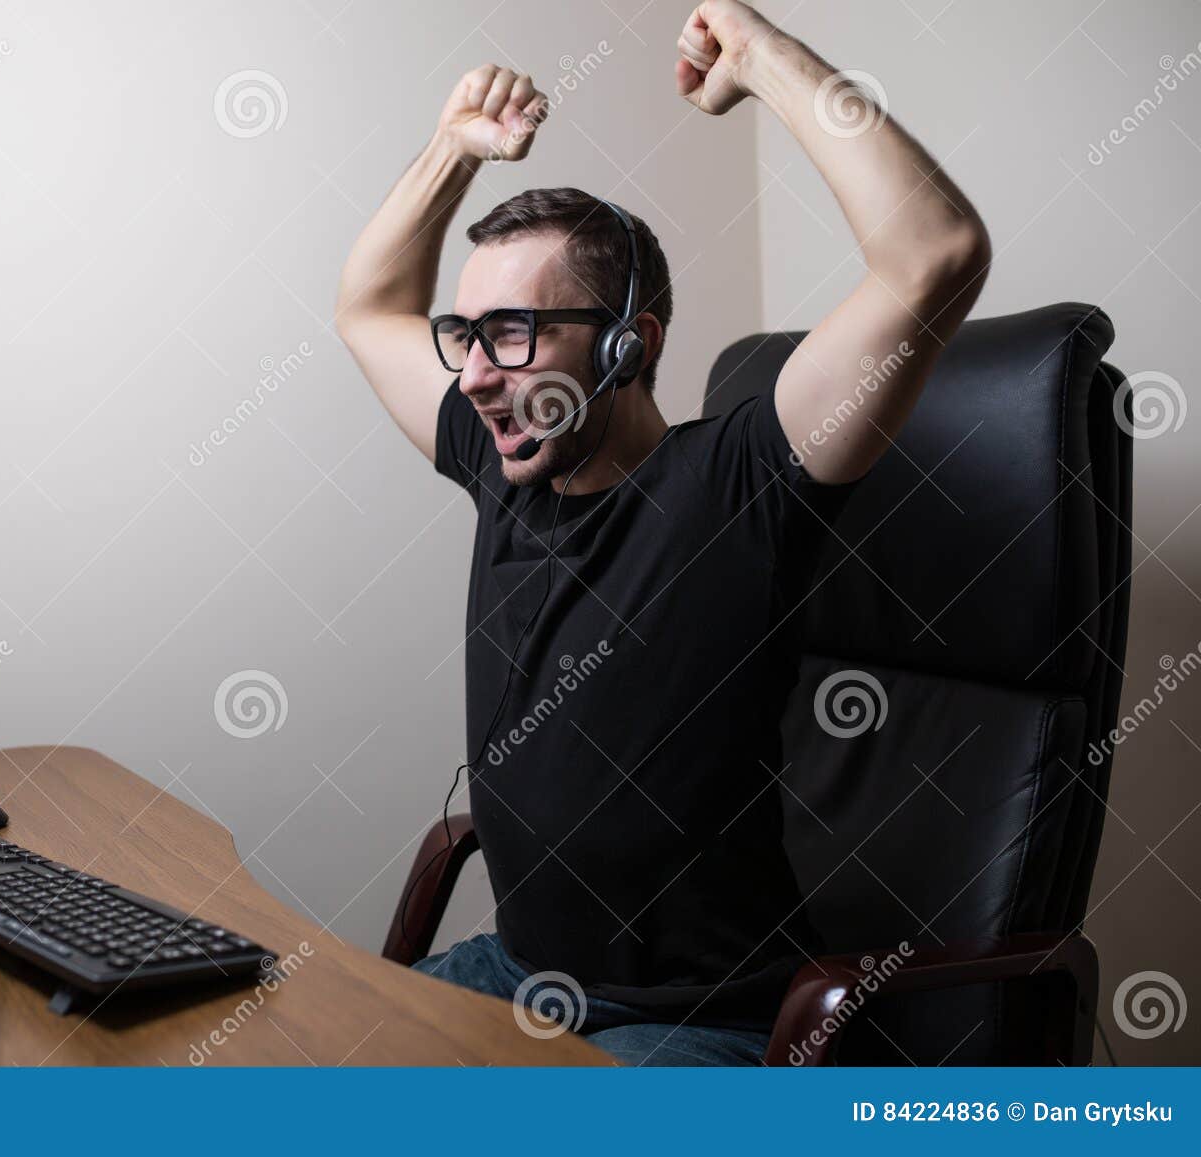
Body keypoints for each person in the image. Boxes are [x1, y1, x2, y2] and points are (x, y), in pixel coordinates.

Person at [335, 0, 990, 1066]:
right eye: (465, 335)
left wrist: (760, 55)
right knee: (300, 1057)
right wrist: (452, 151)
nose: (476, 374)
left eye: (513, 331)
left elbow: (936, 254)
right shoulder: (499, 457)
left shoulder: (740, 478)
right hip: (522, 968)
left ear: (625, 349)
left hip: (706, 1019)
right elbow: (368, 305)